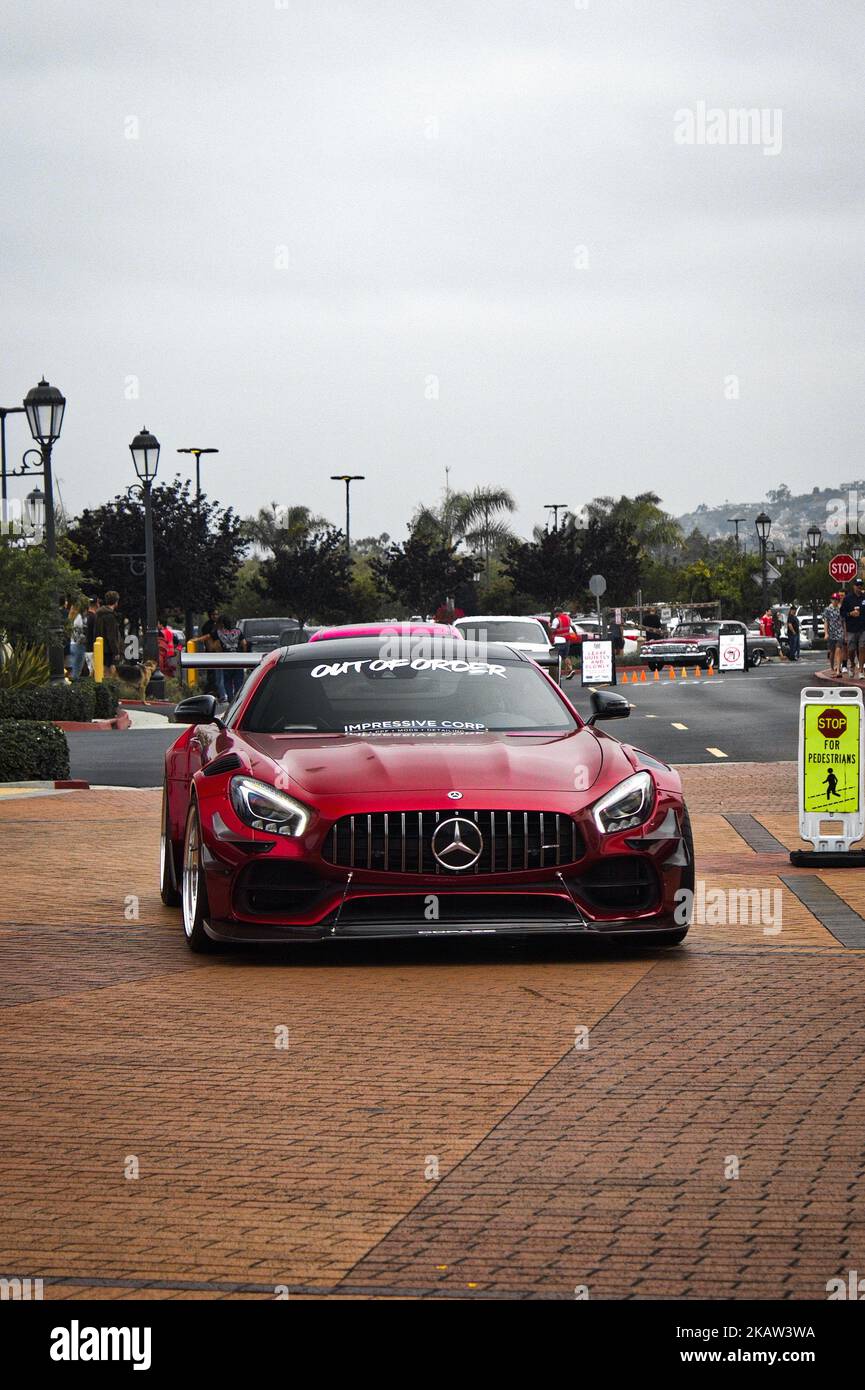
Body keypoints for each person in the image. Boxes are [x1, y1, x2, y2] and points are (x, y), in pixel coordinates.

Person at [213, 612, 247, 702]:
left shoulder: (219, 633)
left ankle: (230, 699)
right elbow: (244, 643)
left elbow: (217, 646)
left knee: (227, 680)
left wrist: (220, 655)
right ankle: (237, 699)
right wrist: (244, 653)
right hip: (238, 659)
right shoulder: (238, 631)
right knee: (238, 680)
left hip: (226, 659)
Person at [93, 590, 122, 675]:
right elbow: (111, 635)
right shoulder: (110, 616)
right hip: (109, 649)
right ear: (116, 602)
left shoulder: (99, 614)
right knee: (109, 671)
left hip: (100, 647)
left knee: (101, 670)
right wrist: (116, 651)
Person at [841, 578, 865, 678]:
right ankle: (852, 665)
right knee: (851, 650)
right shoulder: (847, 598)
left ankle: (861, 670)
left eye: (861, 585)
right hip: (851, 628)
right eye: (857, 585)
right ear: (854, 586)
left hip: (863, 627)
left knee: (862, 648)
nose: (859, 587)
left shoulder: (864, 597)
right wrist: (850, 613)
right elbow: (842, 613)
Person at [822, 593, 845, 678]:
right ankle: (832, 668)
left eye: (837, 599)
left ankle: (838, 669)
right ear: (831, 600)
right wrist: (826, 633)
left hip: (839, 632)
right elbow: (826, 622)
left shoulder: (841, 609)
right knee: (832, 652)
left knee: (838, 650)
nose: (835, 601)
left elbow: (843, 622)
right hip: (831, 632)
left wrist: (845, 634)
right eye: (833, 599)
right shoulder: (827, 609)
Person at [66, 600, 87, 680]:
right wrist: (85, 638)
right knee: (76, 671)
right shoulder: (79, 618)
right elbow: (78, 635)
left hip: (72, 644)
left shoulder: (72, 617)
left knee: (73, 669)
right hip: (78, 645)